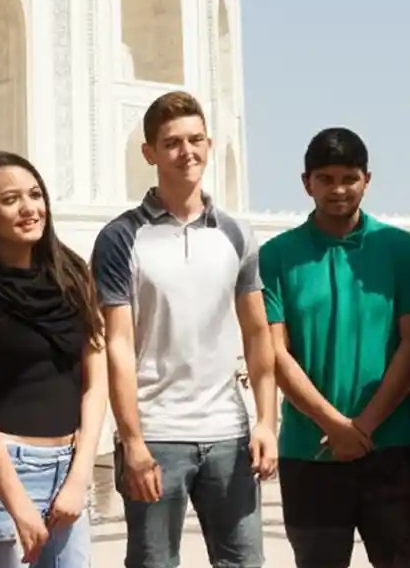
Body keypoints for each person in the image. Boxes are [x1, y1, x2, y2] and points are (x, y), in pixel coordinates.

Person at [91, 90, 278, 568]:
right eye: (172, 142)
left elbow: (258, 334)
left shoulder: (235, 233)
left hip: (228, 434)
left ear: (210, 145)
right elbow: (118, 342)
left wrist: (265, 422)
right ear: (150, 153)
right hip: (157, 435)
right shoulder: (121, 237)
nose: (186, 152)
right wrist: (131, 440)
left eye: (196, 139)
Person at [259, 127, 410, 568]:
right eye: (326, 178)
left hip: (391, 448)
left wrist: (364, 426)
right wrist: (334, 425)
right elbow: (276, 353)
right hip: (309, 449)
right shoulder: (277, 255)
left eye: (349, 178)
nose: (338, 190)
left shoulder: (399, 248)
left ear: (366, 180)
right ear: (306, 182)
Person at [0, 151, 109, 567]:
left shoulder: (74, 278)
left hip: (68, 469)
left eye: (35, 195)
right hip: (1, 476)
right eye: (10, 199)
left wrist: (79, 476)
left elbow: (95, 385)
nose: (29, 208)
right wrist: (17, 502)